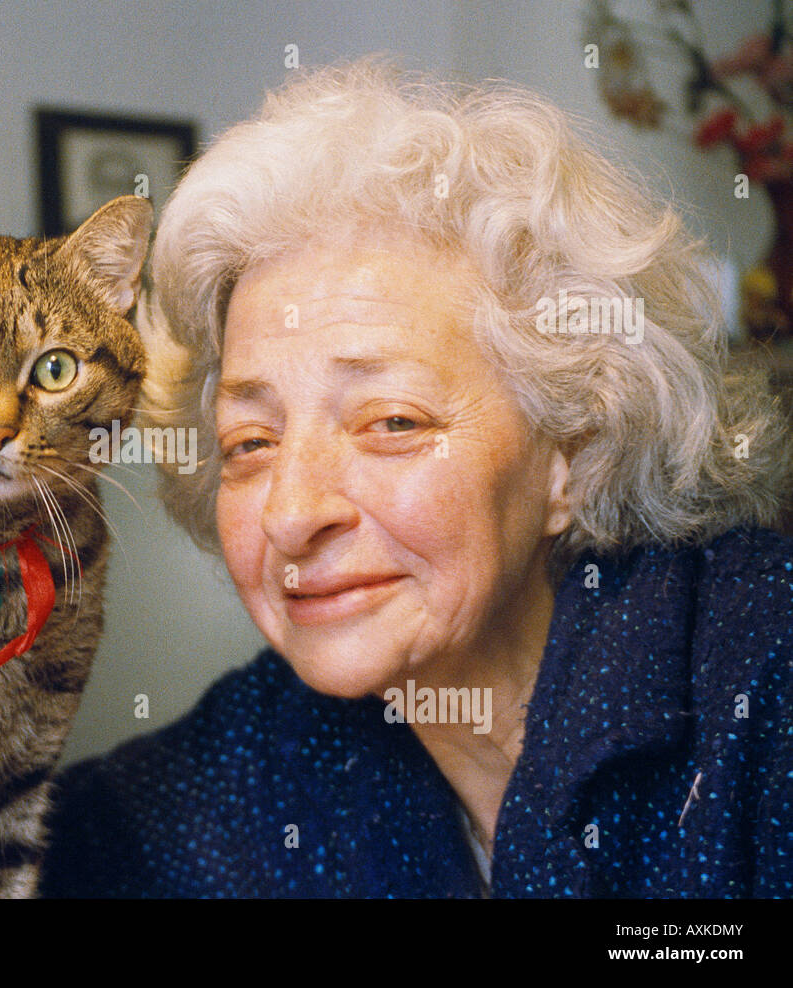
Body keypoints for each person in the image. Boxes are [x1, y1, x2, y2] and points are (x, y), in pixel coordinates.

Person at [38, 58, 793, 898]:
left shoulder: (765, 676)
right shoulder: (262, 749)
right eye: (251, 442)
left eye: (392, 422)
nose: (292, 514)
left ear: (573, 454)